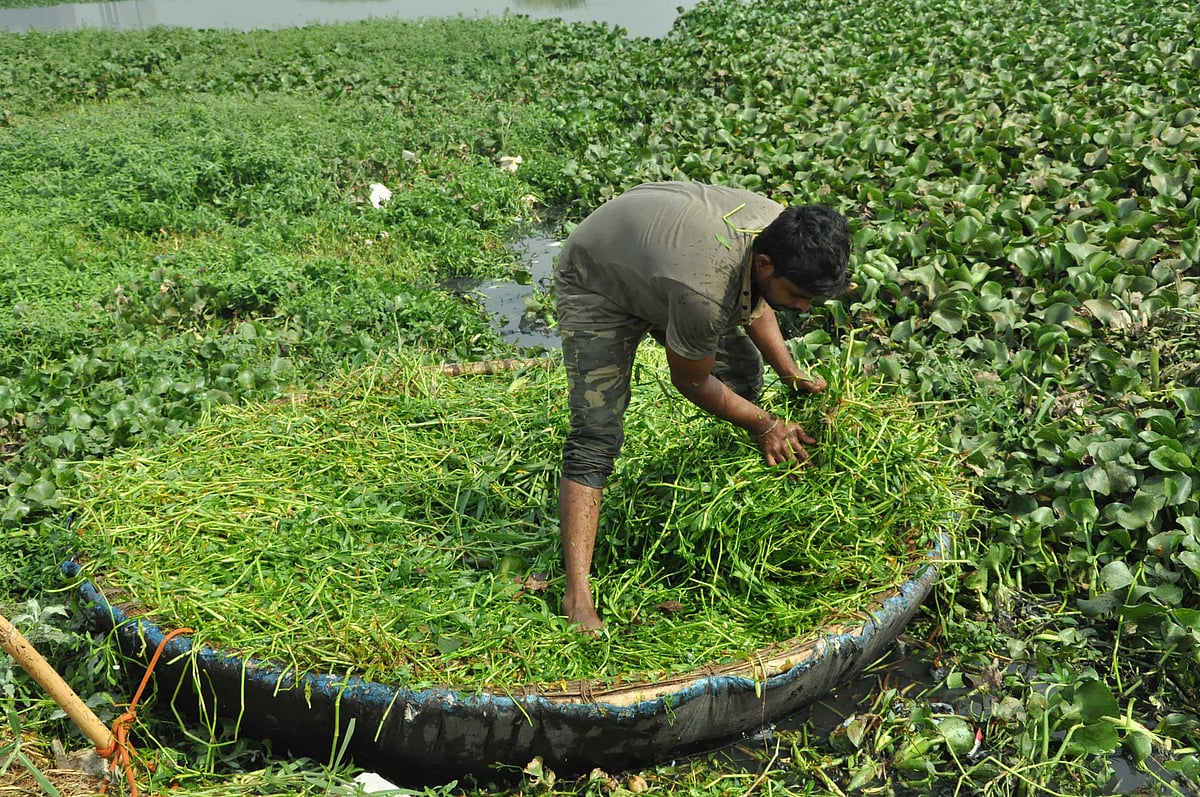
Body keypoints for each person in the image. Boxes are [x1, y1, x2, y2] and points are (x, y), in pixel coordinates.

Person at [553, 180, 852, 632]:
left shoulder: (777, 229)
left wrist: (790, 372)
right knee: (596, 435)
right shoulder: (706, 290)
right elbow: (690, 380)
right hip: (598, 279)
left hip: (659, 259)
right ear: (767, 262)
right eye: (800, 296)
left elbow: (758, 299)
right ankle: (577, 596)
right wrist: (764, 423)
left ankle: (740, 478)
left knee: (745, 372)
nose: (805, 308)